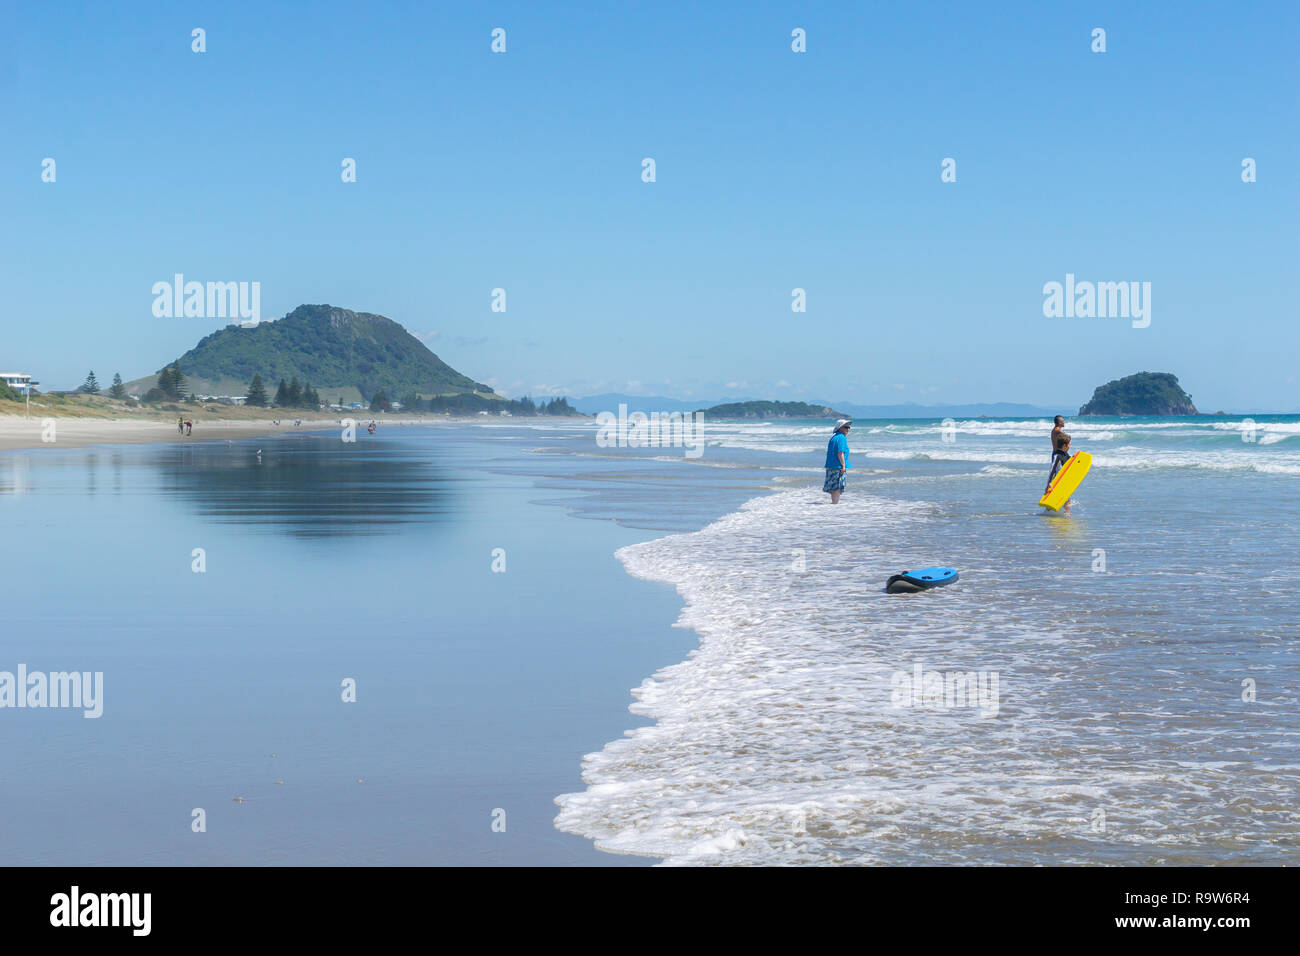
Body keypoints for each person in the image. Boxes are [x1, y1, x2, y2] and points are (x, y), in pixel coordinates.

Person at [823, 419, 852, 503]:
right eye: (846, 427)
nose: (848, 429)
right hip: (837, 466)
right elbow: (840, 453)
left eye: (849, 427)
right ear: (840, 428)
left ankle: (834, 504)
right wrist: (843, 466)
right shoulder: (841, 437)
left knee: (833, 486)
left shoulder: (834, 437)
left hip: (831, 465)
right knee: (838, 486)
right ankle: (835, 504)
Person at [1046, 415, 1071, 490]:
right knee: (1057, 473)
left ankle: (1053, 487)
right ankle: (1050, 487)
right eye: (1063, 421)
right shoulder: (1058, 430)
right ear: (1060, 422)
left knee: (1058, 473)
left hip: (1060, 453)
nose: (1064, 422)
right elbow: (1068, 437)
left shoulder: (1054, 430)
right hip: (1058, 453)